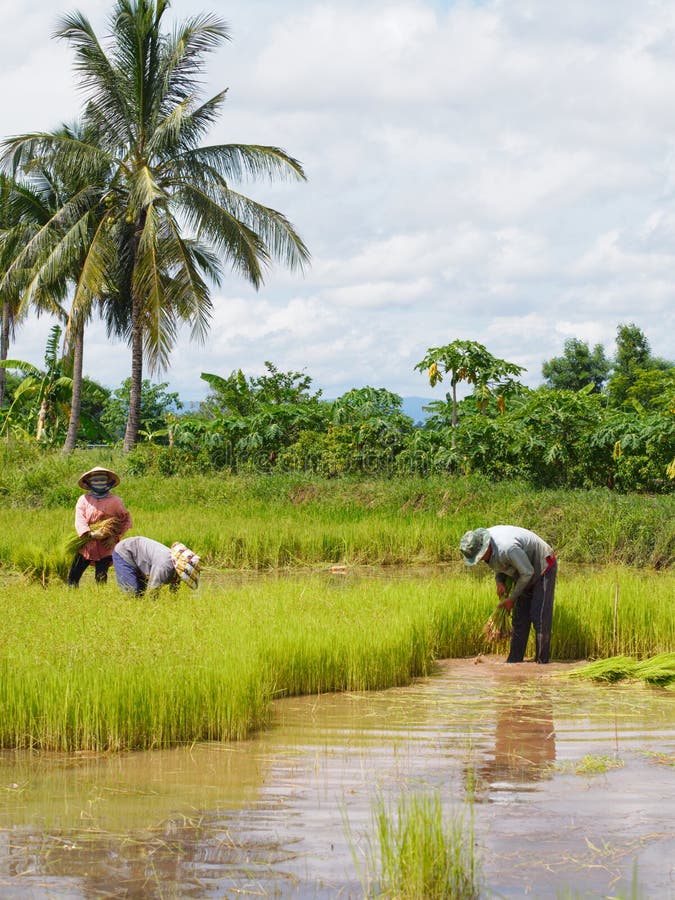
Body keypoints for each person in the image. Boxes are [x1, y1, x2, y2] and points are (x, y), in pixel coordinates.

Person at [459, 525, 557, 664]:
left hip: (542, 565)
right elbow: (499, 563)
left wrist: (512, 598)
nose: (480, 560)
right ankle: (514, 662)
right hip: (523, 570)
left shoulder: (508, 548)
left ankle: (542, 664)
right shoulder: (484, 543)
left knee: (539, 617)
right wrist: (499, 581)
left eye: (479, 556)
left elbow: (528, 572)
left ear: (485, 547)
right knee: (520, 619)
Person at [68, 466, 133, 587]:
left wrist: (115, 537)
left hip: (105, 545)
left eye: (102, 480)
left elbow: (125, 520)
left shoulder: (116, 501)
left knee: (101, 577)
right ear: (89, 482)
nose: (99, 483)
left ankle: (100, 597)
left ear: (108, 482)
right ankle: (71, 595)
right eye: (95, 480)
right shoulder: (83, 500)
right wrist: (90, 534)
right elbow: (79, 519)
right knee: (73, 576)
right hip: (85, 544)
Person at [112, 536, 201, 595]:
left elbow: (174, 589)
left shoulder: (176, 567)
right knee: (131, 592)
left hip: (140, 558)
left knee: (140, 594)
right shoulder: (165, 567)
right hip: (125, 552)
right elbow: (152, 592)